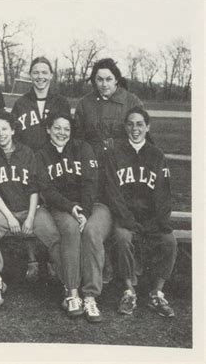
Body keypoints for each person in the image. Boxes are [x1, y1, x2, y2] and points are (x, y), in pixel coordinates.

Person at [0, 110, 61, 308]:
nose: (1, 134)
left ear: (13, 130)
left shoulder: (26, 152)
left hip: (30, 208)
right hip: (5, 209)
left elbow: (34, 188)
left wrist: (31, 218)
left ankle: (68, 282)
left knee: (52, 233)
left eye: (4, 129)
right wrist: (9, 217)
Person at [36, 114, 112, 322]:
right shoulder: (42, 154)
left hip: (92, 206)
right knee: (70, 229)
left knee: (91, 232)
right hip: (61, 207)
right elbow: (47, 190)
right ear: (48, 130)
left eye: (66, 129)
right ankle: (72, 293)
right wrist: (71, 208)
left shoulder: (83, 148)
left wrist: (85, 212)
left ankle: (90, 296)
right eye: (57, 128)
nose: (62, 133)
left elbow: (91, 183)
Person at [74, 58, 143, 282]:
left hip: (122, 169)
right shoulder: (85, 103)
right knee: (98, 213)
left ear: (116, 79)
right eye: (99, 79)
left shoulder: (131, 100)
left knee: (122, 211)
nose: (104, 84)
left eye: (108, 79)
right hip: (94, 170)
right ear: (94, 81)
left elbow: (142, 135)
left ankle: (124, 265)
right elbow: (78, 138)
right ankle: (102, 264)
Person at [104, 107, 177, 318]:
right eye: (130, 124)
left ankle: (157, 293)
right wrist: (127, 219)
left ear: (147, 127)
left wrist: (160, 221)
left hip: (151, 218)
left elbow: (164, 193)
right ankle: (129, 291)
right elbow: (112, 191)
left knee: (169, 241)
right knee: (122, 237)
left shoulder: (156, 155)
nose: (135, 129)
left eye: (139, 124)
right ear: (125, 127)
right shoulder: (114, 153)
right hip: (125, 216)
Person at [12, 56, 71, 282]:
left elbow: (66, 132)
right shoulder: (21, 103)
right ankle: (32, 260)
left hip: (53, 161)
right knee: (29, 207)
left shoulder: (60, 102)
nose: (40, 76)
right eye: (36, 72)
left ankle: (51, 259)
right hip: (28, 162)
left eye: (44, 72)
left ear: (51, 75)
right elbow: (16, 136)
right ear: (30, 75)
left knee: (51, 209)